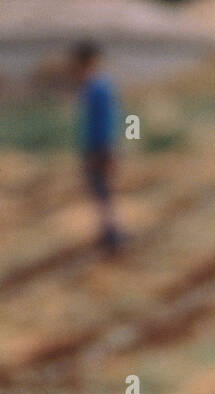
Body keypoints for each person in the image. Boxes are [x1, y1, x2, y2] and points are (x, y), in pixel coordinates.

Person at [69, 39, 126, 255]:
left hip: (99, 149)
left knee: (103, 193)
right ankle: (110, 233)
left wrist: (104, 150)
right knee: (102, 193)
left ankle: (113, 237)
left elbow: (106, 121)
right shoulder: (98, 85)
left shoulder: (97, 87)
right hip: (100, 147)